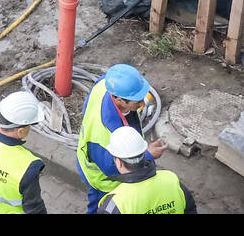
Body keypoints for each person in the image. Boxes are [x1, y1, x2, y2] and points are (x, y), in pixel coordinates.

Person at [77, 64, 168, 214]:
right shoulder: (105, 135)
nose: (142, 104)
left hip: (98, 163)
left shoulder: (105, 84)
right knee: (99, 206)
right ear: (119, 100)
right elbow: (114, 169)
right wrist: (148, 155)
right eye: (137, 101)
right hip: (103, 181)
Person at [99, 126, 196, 214]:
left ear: (119, 163)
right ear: (144, 154)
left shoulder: (116, 203)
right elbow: (190, 209)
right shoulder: (172, 180)